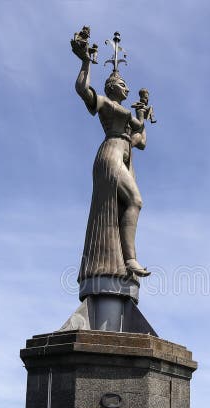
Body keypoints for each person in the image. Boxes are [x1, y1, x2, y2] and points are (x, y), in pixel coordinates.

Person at [71, 31, 151, 280]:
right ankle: (131, 259)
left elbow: (141, 141)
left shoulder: (127, 121)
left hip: (124, 157)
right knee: (135, 201)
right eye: (121, 83)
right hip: (111, 156)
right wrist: (85, 61)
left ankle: (126, 261)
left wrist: (141, 117)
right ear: (111, 87)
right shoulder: (107, 104)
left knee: (129, 204)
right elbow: (82, 89)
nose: (126, 87)